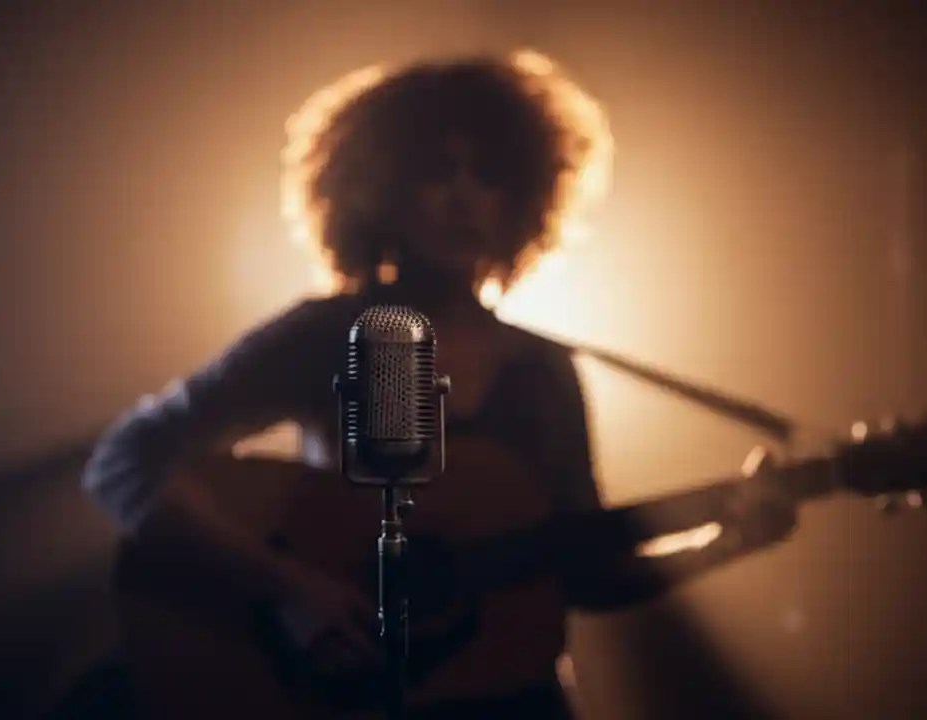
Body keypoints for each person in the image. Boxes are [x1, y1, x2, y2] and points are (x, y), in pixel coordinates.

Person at [82, 50, 797, 719]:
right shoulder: (330, 334)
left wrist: (728, 539)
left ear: (521, 199)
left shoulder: (540, 370)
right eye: (438, 172)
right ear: (384, 189)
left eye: (487, 176)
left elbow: (585, 573)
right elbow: (127, 460)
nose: (463, 198)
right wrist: (290, 584)